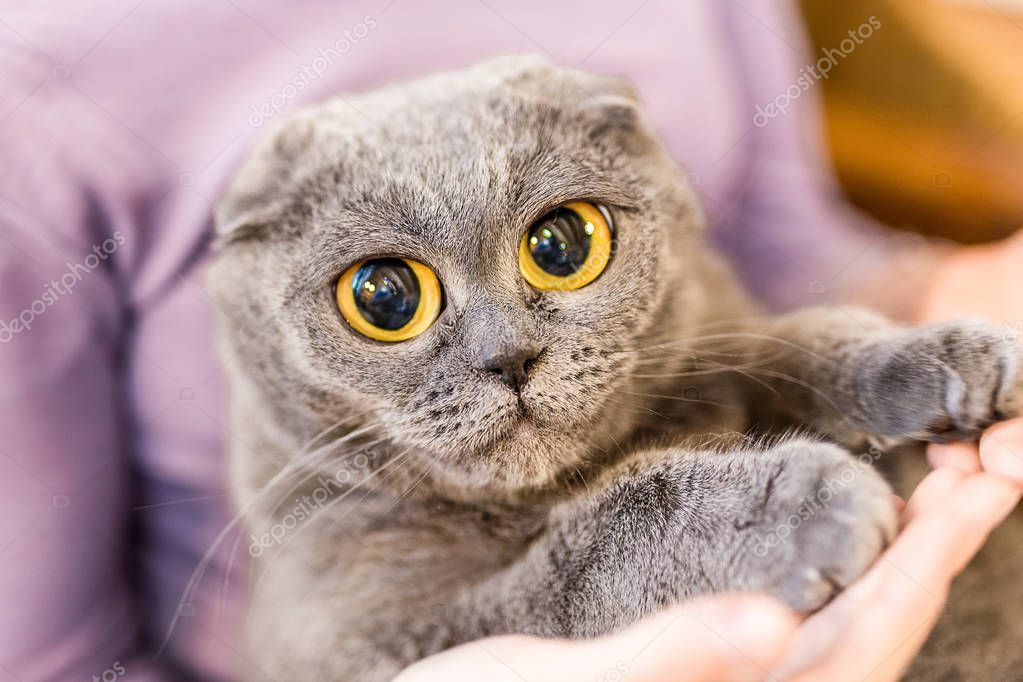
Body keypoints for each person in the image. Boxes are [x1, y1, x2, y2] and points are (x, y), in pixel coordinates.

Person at [1, 1, 1020, 679]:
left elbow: (784, 256)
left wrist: (893, 341)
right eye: (386, 297)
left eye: (562, 245)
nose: (504, 350)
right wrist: (643, 543)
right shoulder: (36, 78)